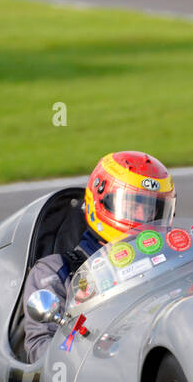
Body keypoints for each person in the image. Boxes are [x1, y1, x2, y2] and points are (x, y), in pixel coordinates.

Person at [22, 151, 175, 360]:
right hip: (94, 381)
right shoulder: (56, 271)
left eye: (150, 209)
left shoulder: (171, 262)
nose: (142, 217)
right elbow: (39, 352)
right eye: (132, 205)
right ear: (101, 201)